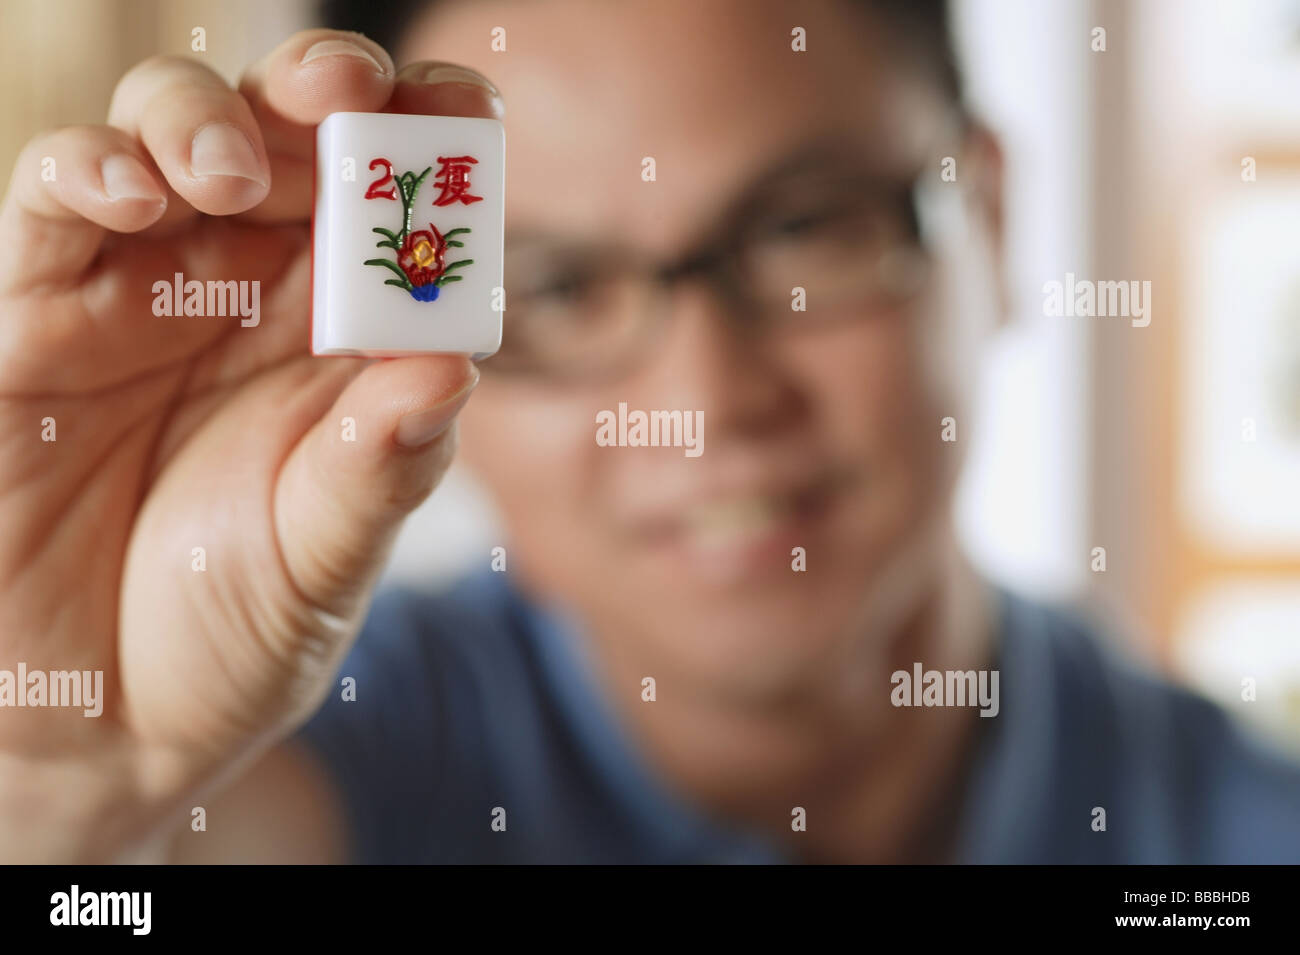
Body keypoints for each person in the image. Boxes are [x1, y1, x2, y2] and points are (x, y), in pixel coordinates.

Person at [1, 0, 1297, 864]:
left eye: (804, 229)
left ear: (995, 221)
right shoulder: (321, 744)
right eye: (557, 289)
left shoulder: (1237, 829)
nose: (709, 397)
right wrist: (83, 790)